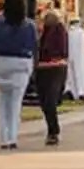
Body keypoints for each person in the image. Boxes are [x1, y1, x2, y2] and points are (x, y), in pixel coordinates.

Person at [0, 0, 37, 150]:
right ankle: (13, 137)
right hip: (21, 63)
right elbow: (34, 45)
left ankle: (3, 138)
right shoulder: (29, 25)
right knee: (16, 103)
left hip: (1, 62)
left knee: (2, 101)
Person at [35, 9, 69, 146]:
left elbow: (61, 51)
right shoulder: (40, 33)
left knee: (50, 100)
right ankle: (52, 129)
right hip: (43, 68)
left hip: (55, 68)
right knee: (45, 101)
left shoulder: (59, 31)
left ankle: (53, 131)